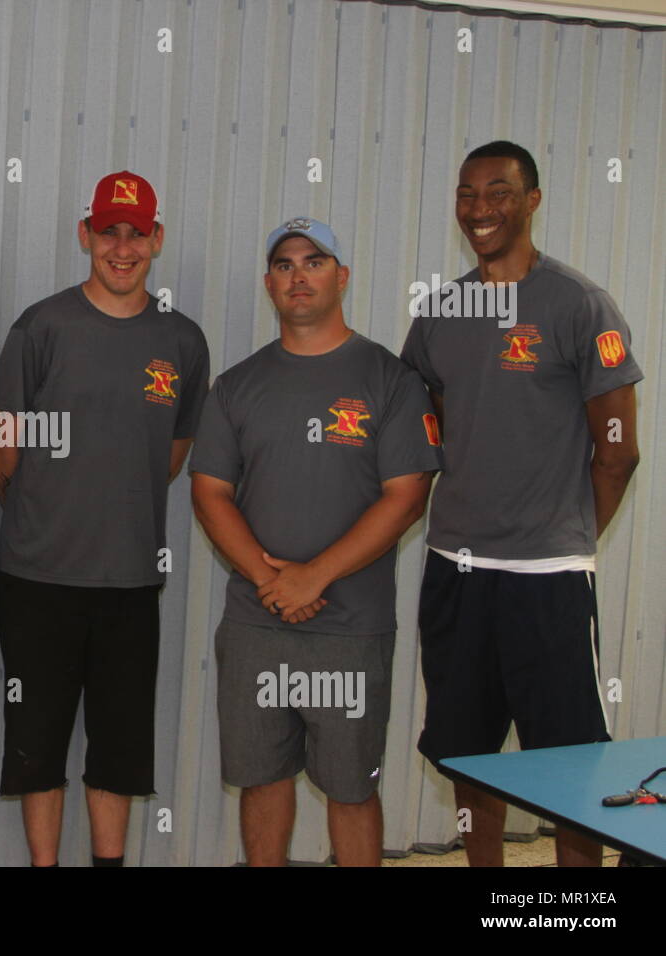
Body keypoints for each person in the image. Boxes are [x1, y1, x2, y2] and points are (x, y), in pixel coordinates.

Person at [401, 141, 642, 867]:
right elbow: (436, 422)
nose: (480, 209)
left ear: (532, 201)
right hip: (457, 572)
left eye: (498, 192)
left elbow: (619, 449)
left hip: (547, 583)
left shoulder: (579, 305)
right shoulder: (441, 313)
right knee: (470, 763)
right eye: (467, 193)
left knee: (567, 773)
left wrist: (567, 536)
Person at [190, 219, 441, 866]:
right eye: (284, 264)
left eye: (315, 260)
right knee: (262, 777)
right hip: (256, 624)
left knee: (352, 788)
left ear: (343, 277)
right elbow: (210, 492)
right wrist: (271, 582)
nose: (298, 274)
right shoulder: (236, 387)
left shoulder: (391, 380)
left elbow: (407, 494)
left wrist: (315, 577)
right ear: (269, 283)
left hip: (350, 629)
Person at [0, 170, 209, 866]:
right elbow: (3, 448)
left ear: (157, 239)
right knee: (37, 744)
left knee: (119, 747)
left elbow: (169, 453)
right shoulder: (41, 325)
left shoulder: (182, 341)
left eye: (135, 233)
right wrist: (51, 513)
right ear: (85, 236)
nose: (121, 246)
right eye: (107, 231)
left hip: (131, 580)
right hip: (37, 576)